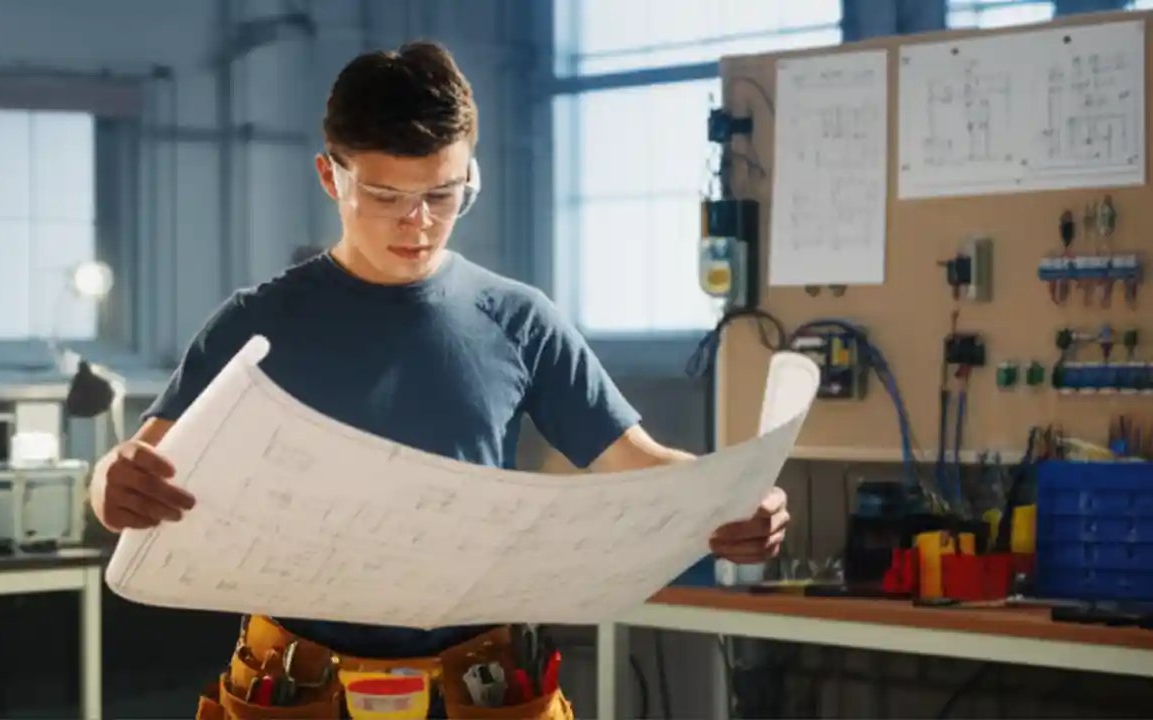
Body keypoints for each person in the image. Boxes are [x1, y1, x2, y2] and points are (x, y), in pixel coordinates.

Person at [89, 40, 789, 719]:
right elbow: (141, 464)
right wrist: (109, 484)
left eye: (442, 194)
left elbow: (637, 462)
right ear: (331, 177)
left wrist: (729, 498)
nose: (417, 224)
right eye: (386, 195)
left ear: (470, 178)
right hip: (301, 688)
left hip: (478, 686)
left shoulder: (519, 321)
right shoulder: (259, 322)